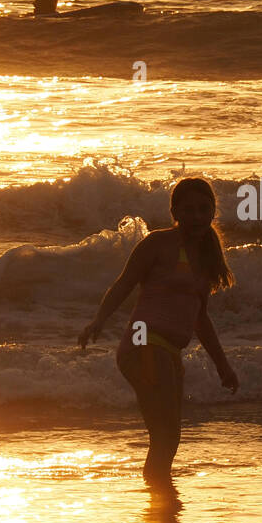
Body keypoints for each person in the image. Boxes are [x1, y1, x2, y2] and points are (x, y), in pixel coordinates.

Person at [78, 178, 238, 484]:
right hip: (143, 343)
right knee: (165, 434)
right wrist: (98, 320)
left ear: (212, 212)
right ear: (175, 211)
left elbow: (200, 318)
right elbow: (124, 284)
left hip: (168, 350)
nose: (196, 216)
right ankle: (159, 504)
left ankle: (159, 511)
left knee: (168, 437)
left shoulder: (206, 257)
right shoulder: (157, 244)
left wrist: (223, 366)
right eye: (188, 209)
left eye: (203, 209)